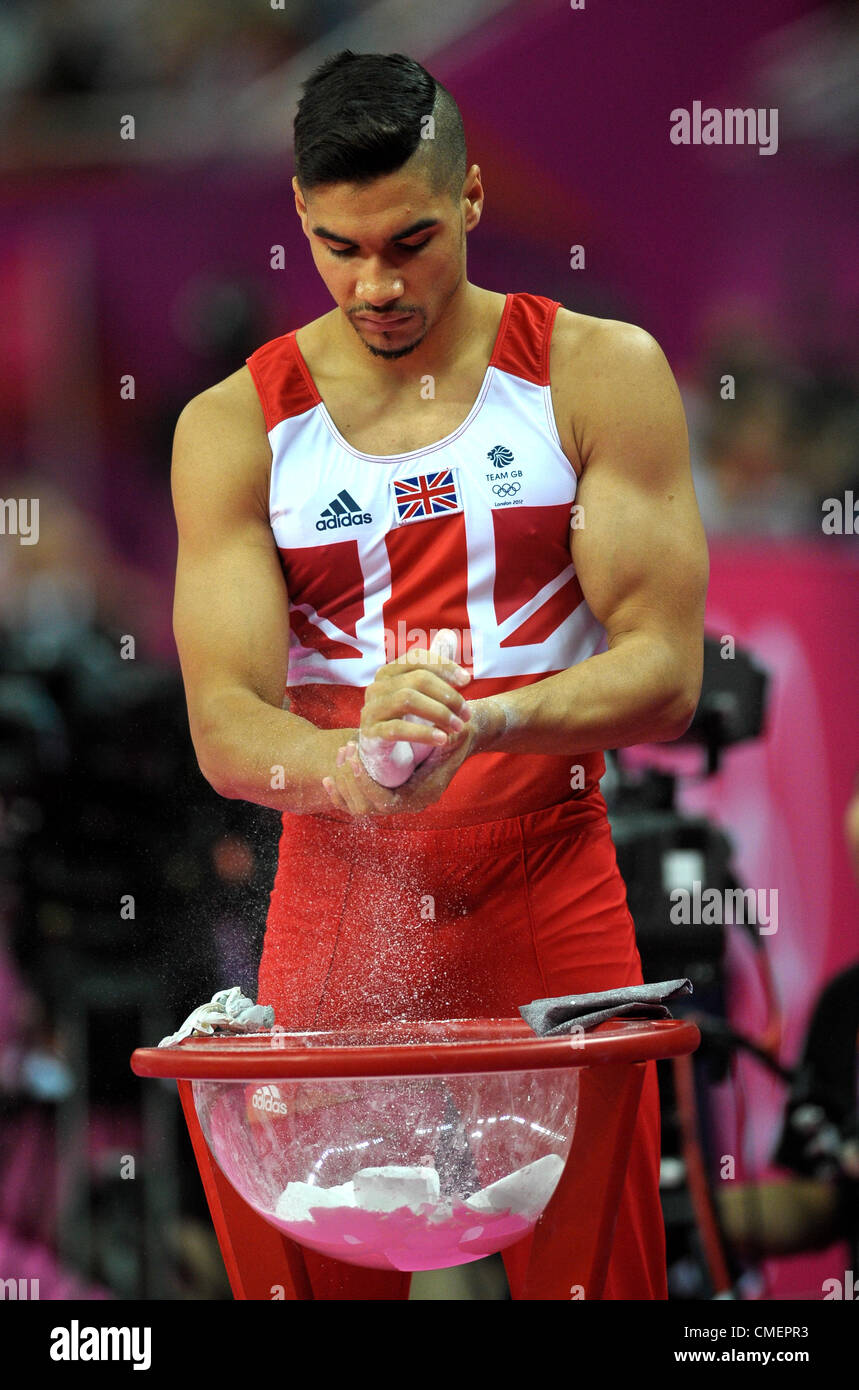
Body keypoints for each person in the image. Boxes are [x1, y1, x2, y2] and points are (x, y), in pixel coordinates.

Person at [169, 51, 709, 1299]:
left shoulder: (595, 373)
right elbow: (224, 723)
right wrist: (346, 764)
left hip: (547, 877)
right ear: (301, 224)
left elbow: (665, 677)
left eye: (408, 240)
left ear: (471, 196)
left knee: (601, 1289)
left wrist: (488, 719)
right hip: (338, 896)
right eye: (337, 247)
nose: (376, 283)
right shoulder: (235, 427)